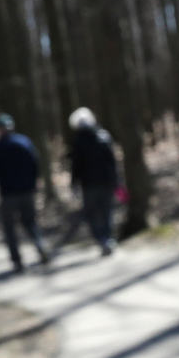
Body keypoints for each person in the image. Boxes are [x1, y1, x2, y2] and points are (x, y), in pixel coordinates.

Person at [0, 114, 50, 273]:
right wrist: (34, 184)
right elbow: (35, 163)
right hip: (27, 191)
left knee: (10, 229)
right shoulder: (24, 141)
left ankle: (17, 260)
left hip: (8, 194)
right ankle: (40, 246)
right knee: (30, 222)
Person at [67, 107, 120, 256]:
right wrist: (116, 180)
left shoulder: (79, 141)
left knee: (91, 214)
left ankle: (102, 239)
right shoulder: (104, 136)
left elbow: (76, 166)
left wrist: (74, 183)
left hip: (89, 184)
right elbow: (112, 162)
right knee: (106, 212)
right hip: (106, 181)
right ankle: (107, 239)